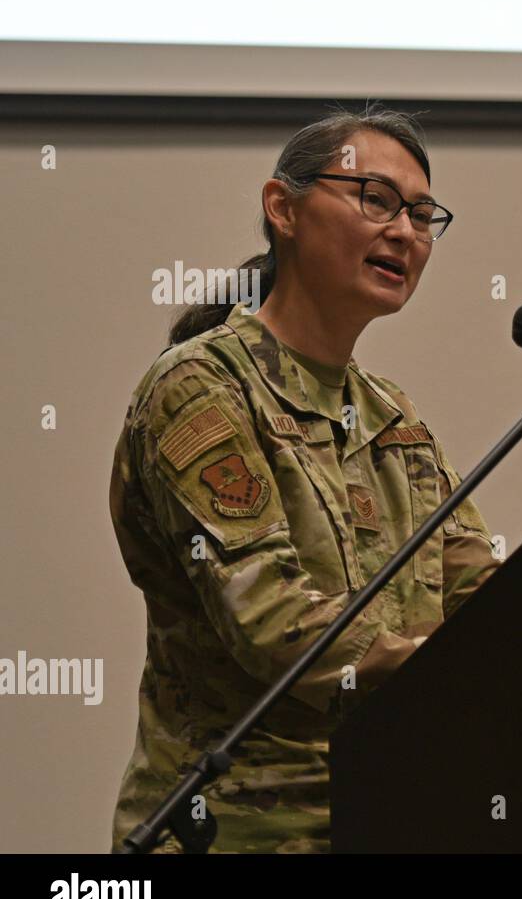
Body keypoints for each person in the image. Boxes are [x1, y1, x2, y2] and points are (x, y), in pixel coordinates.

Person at [108, 106, 501, 853]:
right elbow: (273, 625)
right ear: (282, 209)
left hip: (387, 818)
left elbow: (480, 594)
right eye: (375, 199)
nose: (404, 232)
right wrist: (454, 660)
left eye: (422, 214)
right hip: (234, 833)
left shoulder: (391, 414)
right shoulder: (201, 386)